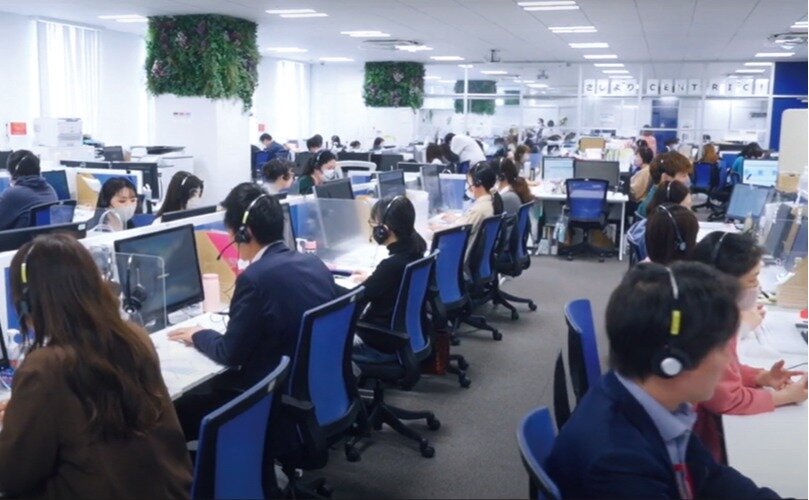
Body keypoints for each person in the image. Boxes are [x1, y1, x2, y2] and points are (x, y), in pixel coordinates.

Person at [546, 261, 778, 498]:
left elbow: (710, 477)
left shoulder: (650, 402)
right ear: (672, 361)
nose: (729, 358)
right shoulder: (620, 466)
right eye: (721, 348)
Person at [0, 234, 192, 498]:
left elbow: (11, 476)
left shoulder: (45, 368)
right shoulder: (135, 338)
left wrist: (21, 414)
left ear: (28, 302)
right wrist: (25, 408)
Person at [168, 184, 336, 433]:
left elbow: (230, 354)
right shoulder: (313, 263)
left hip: (269, 396)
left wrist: (198, 334)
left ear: (243, 233)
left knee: (174, 413)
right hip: (314, 387)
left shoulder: (255, 279)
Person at [690, 232, 808, 461]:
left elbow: (726, 369)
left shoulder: (711, 312)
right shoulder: (711, 329)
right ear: (723, 283)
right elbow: (726, 399)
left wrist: (761, 377)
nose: (758, 287)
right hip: (698, 441)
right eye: (753, 280)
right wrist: (784, 397)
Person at [348, 197, 428, 363]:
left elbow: (356, 298)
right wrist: (373, 278)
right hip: (405, 332)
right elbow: (384, 284)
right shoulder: (416, 252)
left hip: (380, 336)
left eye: (374, 223)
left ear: (383, 230)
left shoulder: (391, 265)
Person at [435, 162, 503, 261]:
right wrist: (457, 219)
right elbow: (467, 222)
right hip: (477, 259)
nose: (468, 186)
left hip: (463, 260)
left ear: (478, 184)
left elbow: (455, 231)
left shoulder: (479, 209)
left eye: (469, 183)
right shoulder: (489, 201)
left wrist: (436, 229)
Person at [627, 181, 692, 262]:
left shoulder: (650, 226)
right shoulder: (657, 238)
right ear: (669, 208)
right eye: (685, 207)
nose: (690, 211)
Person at [0, 150, 58, 230]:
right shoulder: (50, 189)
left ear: (13, 173)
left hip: (21, 238)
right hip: (44, 238)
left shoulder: (13, 194)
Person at [636, 151, 693, 218]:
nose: (687, 179)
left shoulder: (656, 198)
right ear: (665, 178)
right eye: (683, 175)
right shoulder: (660, 209)